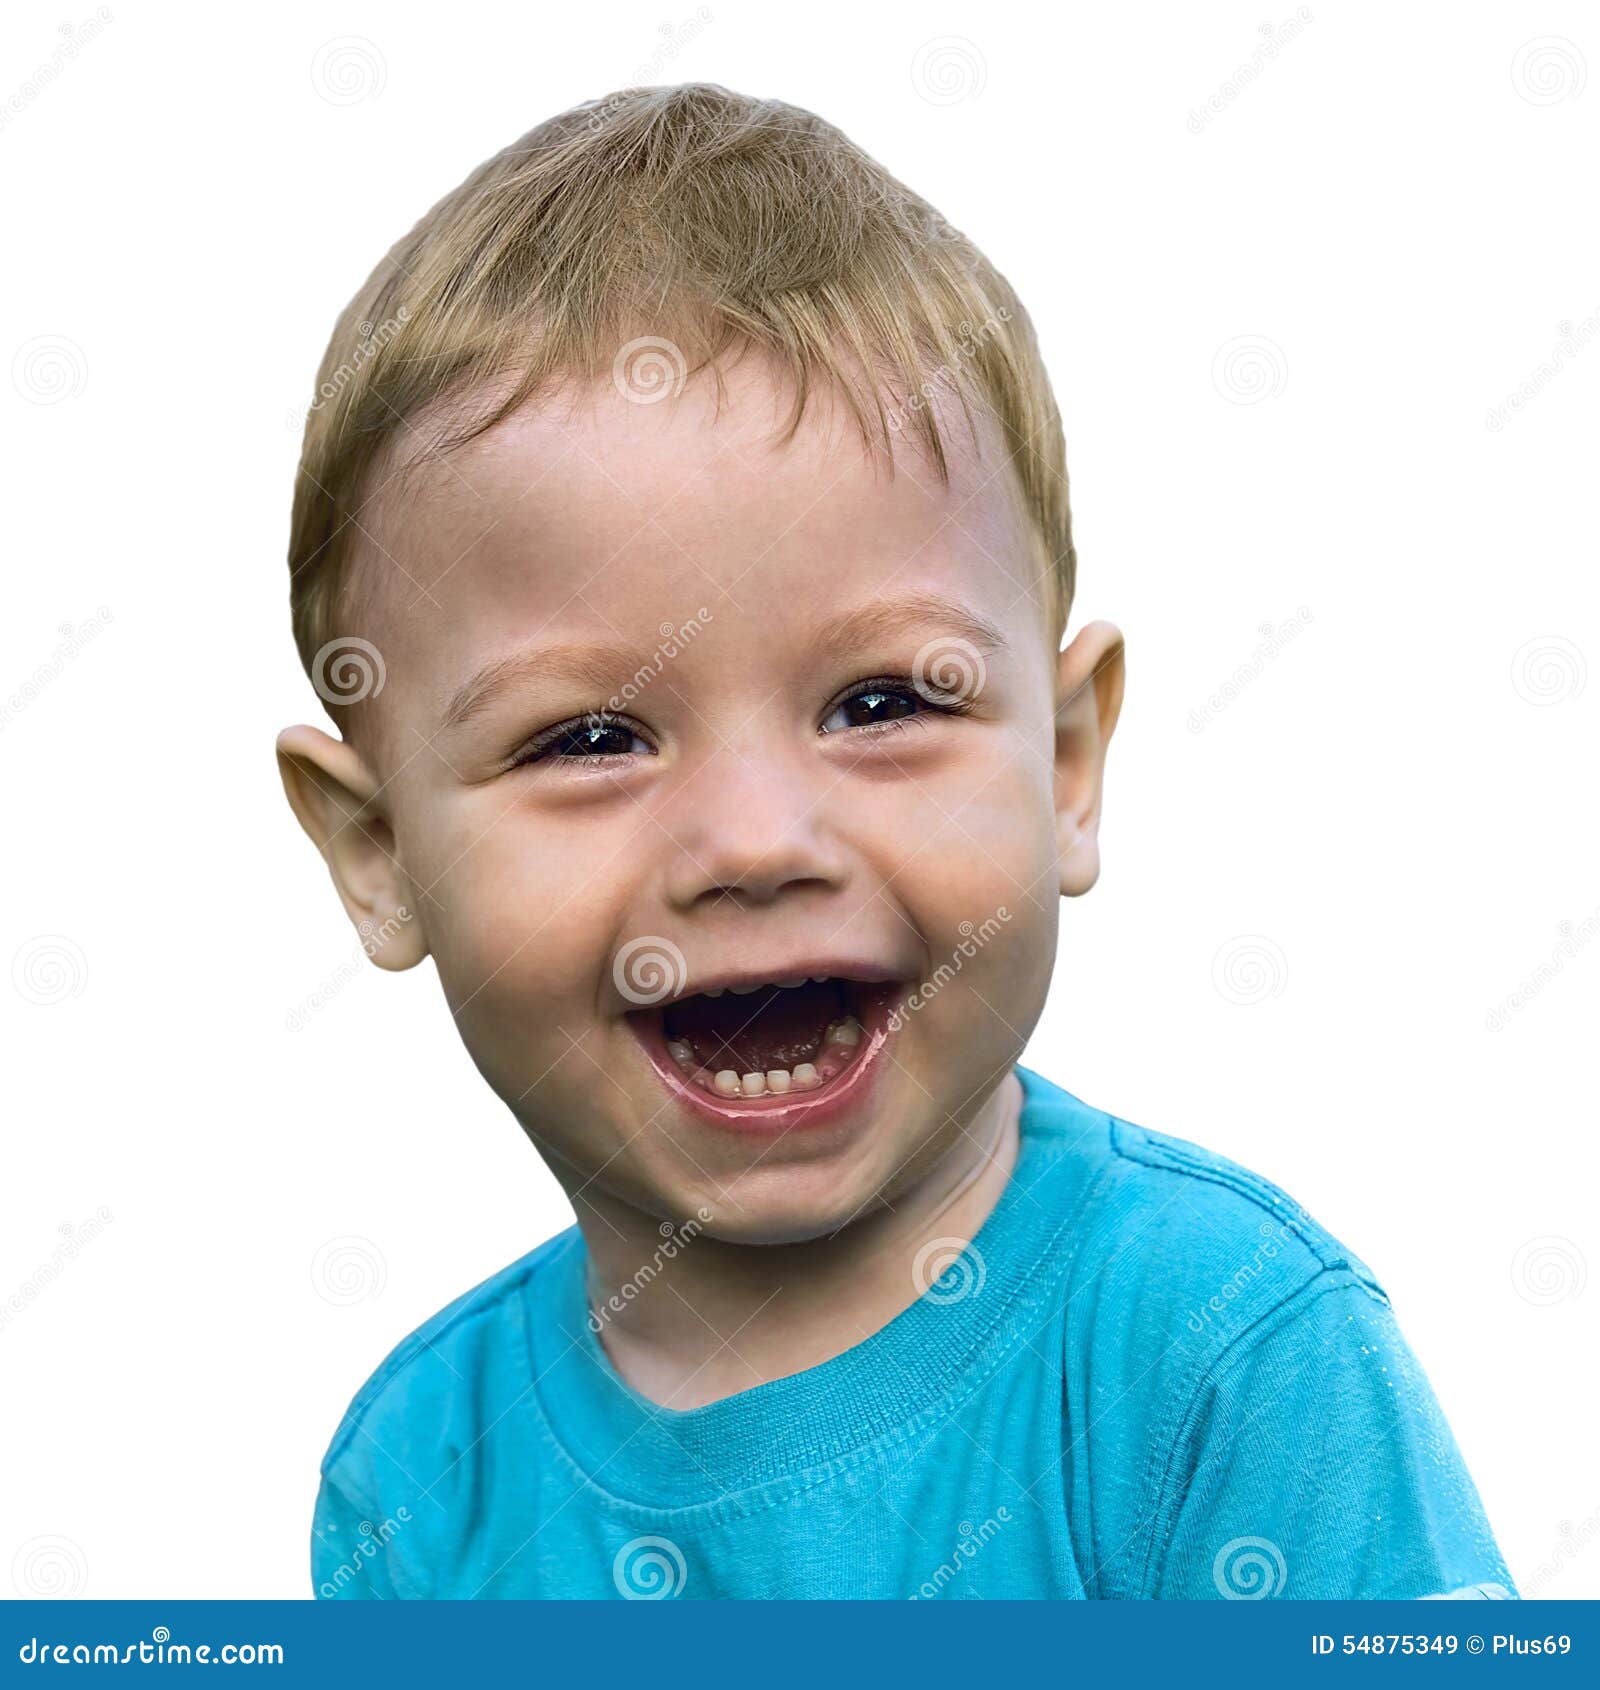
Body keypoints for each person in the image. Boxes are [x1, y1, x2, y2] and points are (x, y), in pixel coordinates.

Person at [278, 83, 1514, 1600]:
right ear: (377, 850)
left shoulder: (1224, 1354)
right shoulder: (420, 1483)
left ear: (1064, 762)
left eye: (877, 703)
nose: (755, 840)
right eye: (591, 738)